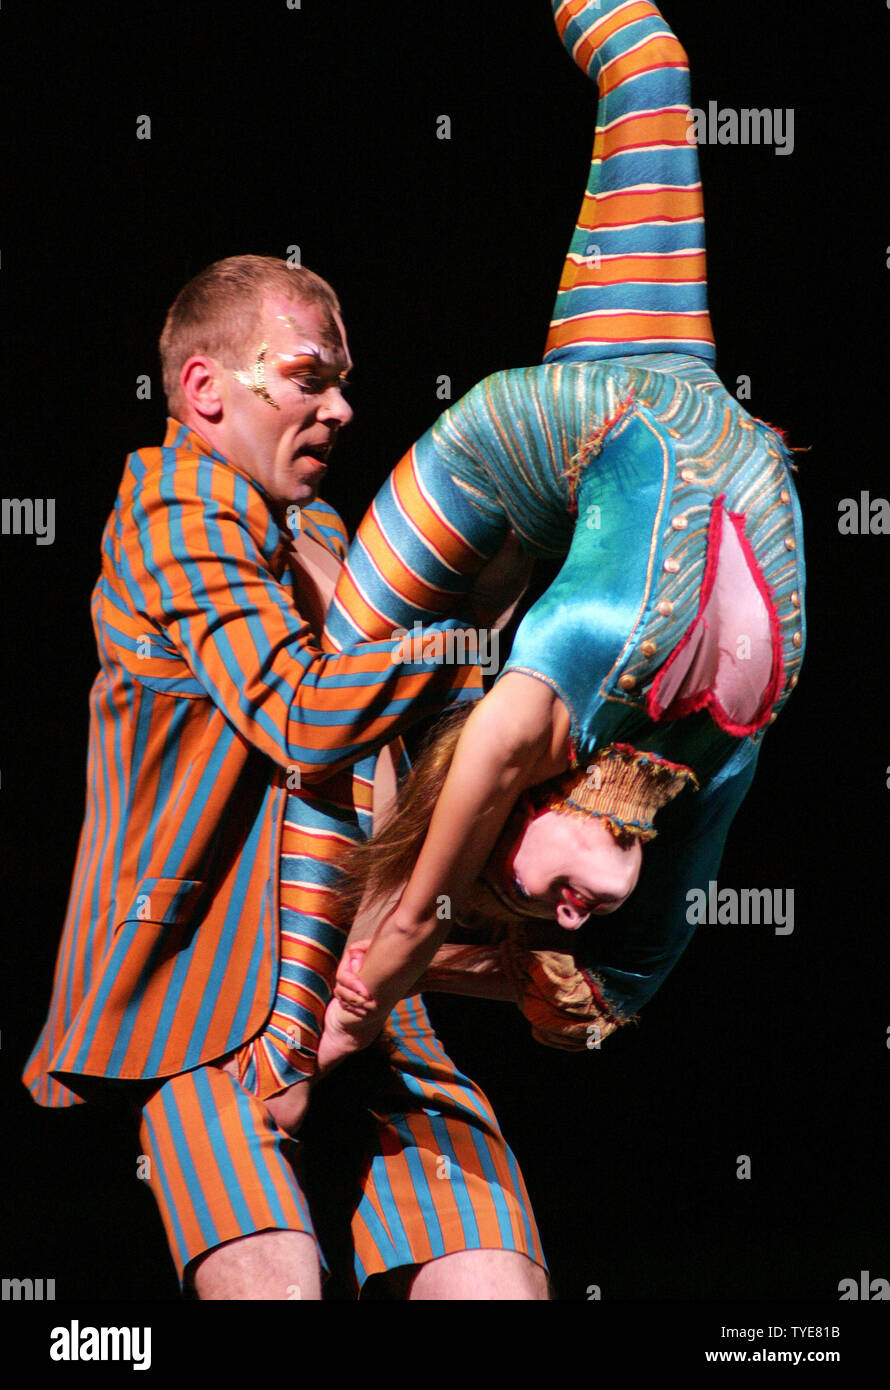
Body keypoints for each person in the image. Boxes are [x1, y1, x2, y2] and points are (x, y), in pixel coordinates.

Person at [21, 254, 548, 1300]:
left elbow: (401, 735)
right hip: (212, 1000)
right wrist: (460, 644)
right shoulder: (173, 514)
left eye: (342, 381)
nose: (342, 407)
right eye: (309, 377)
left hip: (366, 985)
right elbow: (304, 714)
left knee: (495, 1282)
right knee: (275, 1286)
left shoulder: (316, 532)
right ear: (207, 390)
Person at [316, 0, 807, 1065]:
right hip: (664, 375)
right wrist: (489, 965)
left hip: (507, 454)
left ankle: (300, 975)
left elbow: (490, 750)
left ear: (524, 800)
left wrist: (396, 945)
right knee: (645, 54)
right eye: (555, 918)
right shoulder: (703, 782)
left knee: (330, 734)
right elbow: (615, 986)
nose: (565, 917)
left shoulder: (573, 682)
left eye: (529, 895)